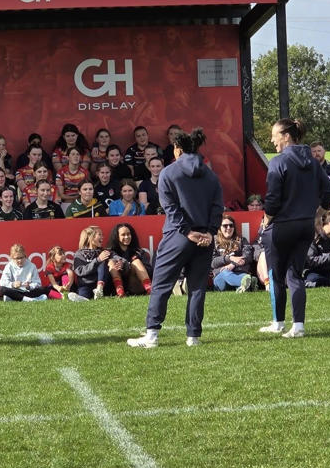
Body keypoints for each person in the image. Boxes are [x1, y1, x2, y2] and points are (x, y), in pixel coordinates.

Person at [127, 127, 223, 348]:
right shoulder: (210, 175)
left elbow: (170, 207)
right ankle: (193, 336)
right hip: (204, 239)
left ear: (178, 150)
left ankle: (151, 335)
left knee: (161, 284)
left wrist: (188, 231)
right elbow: (218, 207)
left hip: (178, 236)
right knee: (197, 287)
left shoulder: (168, 173)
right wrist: (209, 232)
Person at [258, 119, 330, 339]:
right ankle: (298, 325)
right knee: (295, 275)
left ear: (286, 136)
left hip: (281, 226)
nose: (272, 140)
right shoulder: (312, 161)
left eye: (274, 135)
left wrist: (266, 219)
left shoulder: (277, 162)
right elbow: (329, 191)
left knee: (276, 275)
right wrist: (318, 214)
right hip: (305, 226)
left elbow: (272, 199)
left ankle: (278, 322)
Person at [210, 214, 256, 292]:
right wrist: (230, 258)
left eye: (231, 225)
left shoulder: (242, 240)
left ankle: (243, 286)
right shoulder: (214, 241)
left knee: (243, 276)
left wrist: (233, 265)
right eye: (225, 226)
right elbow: (213, 262)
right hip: (221, 276)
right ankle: (249, 283)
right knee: (225, 273)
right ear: (220, 228)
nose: (228, 228)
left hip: (239, 272)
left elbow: (248, 256)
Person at [106, 222, 153, 297]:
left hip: (135, 285)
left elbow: (150, 270)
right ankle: (120, 292)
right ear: (117, 237)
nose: (127, 237)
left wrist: (130, 266)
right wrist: (120, 266)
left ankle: (150, 290)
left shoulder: (139, 252)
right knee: (111, 262)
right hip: (115, 286)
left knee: (136, 262)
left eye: (128, 234)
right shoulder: (110, 252)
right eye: (123, 235)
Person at [73, 225, 111, 300]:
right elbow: (80, 271)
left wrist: (121, 262)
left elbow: (115, 256)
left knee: (102, 262)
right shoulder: (79, 253)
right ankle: (79, 297)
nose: (102, 237)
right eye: (99, 234)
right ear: (91, 237)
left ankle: (99, 290)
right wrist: (97, 260)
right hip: (85, 285)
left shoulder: (103, 251)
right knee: (84, 296)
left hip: (101, 285)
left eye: (102, 235)